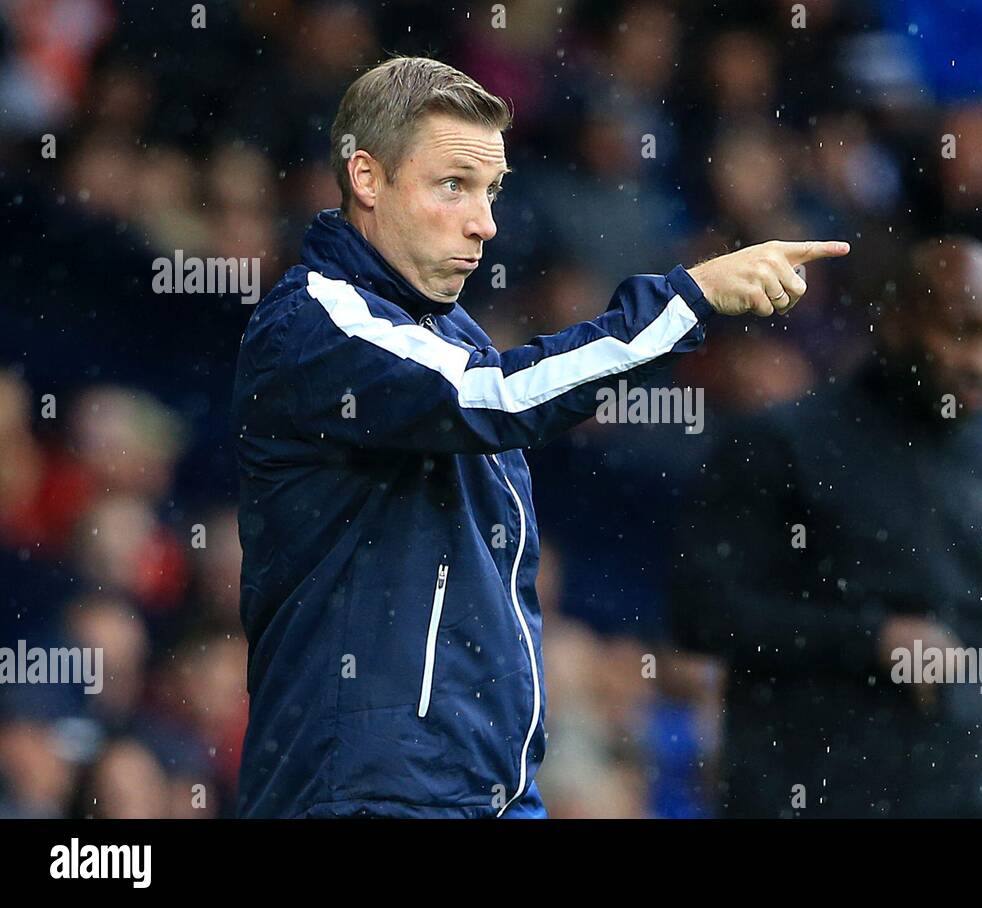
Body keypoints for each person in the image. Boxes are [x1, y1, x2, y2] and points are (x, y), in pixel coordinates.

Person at [231, 55, 848, 818]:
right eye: (453, 185)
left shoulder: (444, 330)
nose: (485, 222)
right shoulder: (318, 322)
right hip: (362, 790)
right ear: (366, 177)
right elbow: (499, 398)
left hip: (484, 787)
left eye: (491, 191)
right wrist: (691, 297)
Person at [672, 237, 982, 817]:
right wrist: (869, 640)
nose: (981, 362)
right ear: (895, 324)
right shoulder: (781, 446)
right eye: (959, 331)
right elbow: (701, 612)